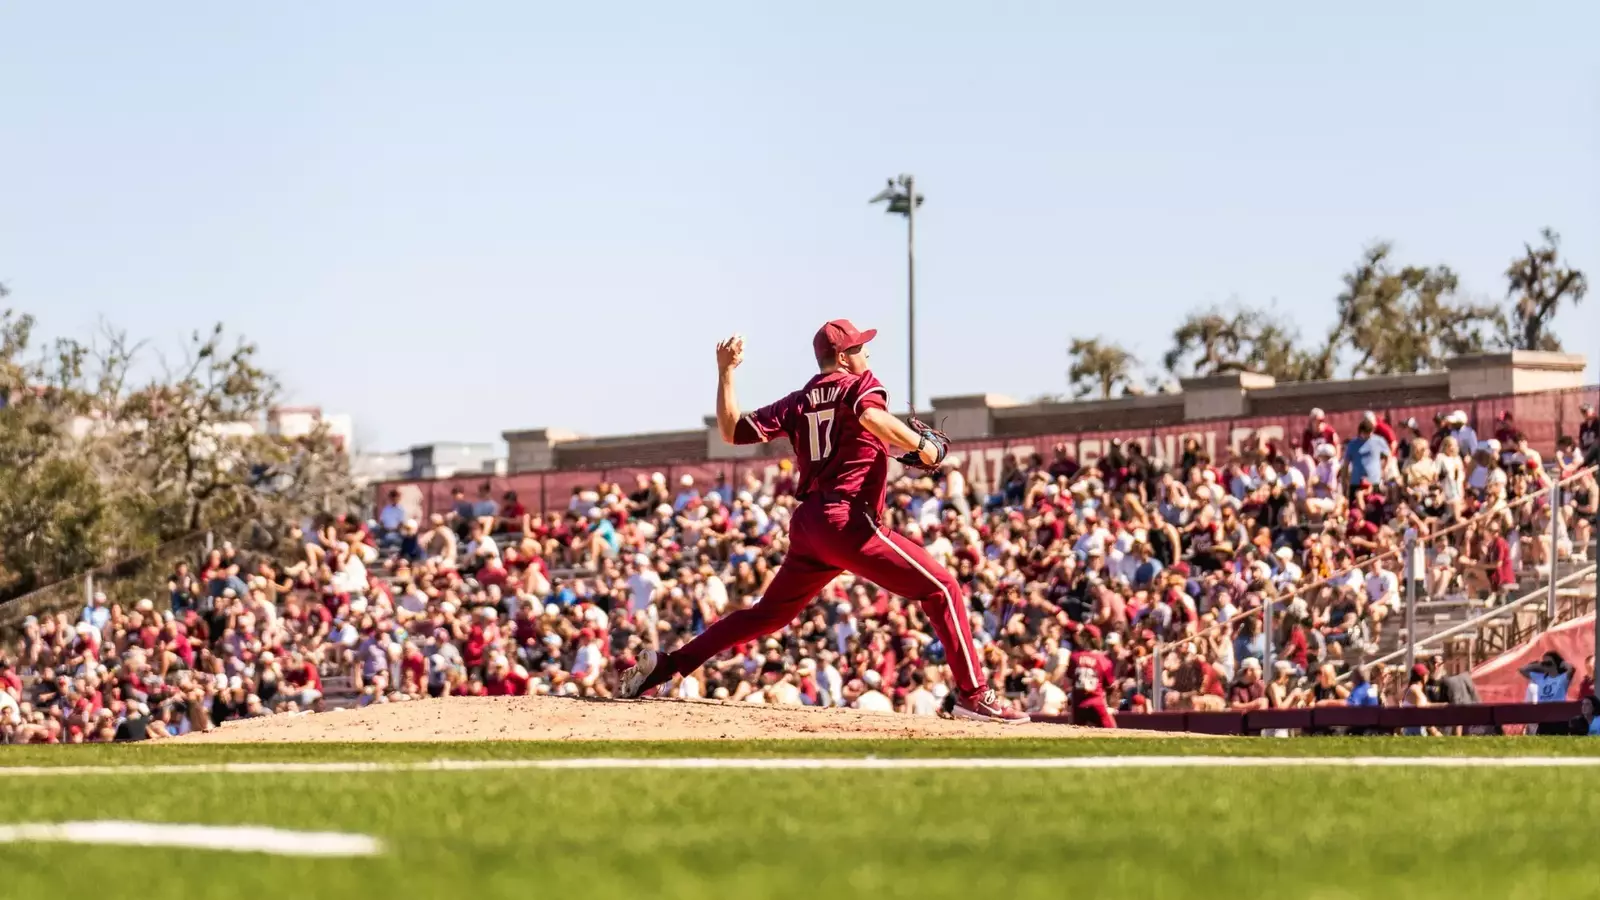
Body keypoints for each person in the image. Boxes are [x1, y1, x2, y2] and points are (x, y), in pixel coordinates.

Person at [619, 323, 1026, 723]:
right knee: (943, 588)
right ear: (845, 357)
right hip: (847, 521)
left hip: (810, 525)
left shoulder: (799, 400)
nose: (868, 354)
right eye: (862, 348)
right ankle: (973, 697)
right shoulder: (859, 383)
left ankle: (667, 666)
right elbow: (871, 418)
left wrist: (726, 372)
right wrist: (923, 447)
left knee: (767, 614)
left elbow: (730, 429)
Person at [1066, 624, 1116, 727]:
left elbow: (1068, 680)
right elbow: (1110, 685)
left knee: (1076, 736)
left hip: (1078, 704)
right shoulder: (1102, 660)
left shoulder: (1074, 657)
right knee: (1113, 732)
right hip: (1096, 702)